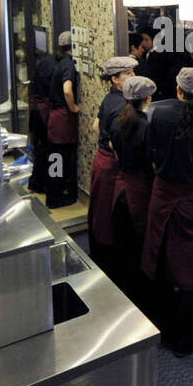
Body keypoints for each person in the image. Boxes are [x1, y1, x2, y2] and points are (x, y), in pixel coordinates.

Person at [142, 67, 193, 354]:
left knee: (159, 255)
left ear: (178, 89)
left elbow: (151, 157)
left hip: (162, 193)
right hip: (192, 200)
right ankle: (185, 340)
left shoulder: (159, 115)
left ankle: (160, 327)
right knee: (190, 268)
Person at [88, 56, 138, 269]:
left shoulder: (111, 98)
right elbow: (117, 142)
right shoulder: (121, 106)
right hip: (111, 165)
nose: (133, 77)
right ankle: (108, 262)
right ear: (115, 79)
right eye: (128, 74)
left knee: (99, 211)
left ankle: (100, 254)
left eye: (133, 73)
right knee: (108, 216)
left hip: (102, 160)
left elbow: (95, 126)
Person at [111, 75, 157, 302]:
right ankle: (141, 296)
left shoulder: (118, 122)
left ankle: (124, 289)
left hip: (120, 190)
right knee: (139, 245)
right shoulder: (146, 127)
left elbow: (116, 152)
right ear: (147, 99)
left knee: (124, 245)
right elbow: (153, 163)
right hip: (140, 192)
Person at [46, 31, 82, 208]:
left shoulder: (59, 62)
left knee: (55, 156)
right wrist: (74, 106)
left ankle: (53, 194)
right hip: (62, 118)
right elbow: (67, 89)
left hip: (54, 117)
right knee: (61, 157)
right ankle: (57, 196)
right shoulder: (68, 64)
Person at [27, 43, 57, 194]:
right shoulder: (55, 67)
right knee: (47, 149)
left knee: (39, 149)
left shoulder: (45, 61)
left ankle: (36, 182)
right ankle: (43, 183)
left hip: (35, 110)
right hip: (43, 112)